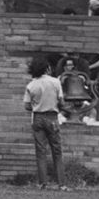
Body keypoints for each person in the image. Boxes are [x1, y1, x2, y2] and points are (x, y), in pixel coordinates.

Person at [23, 56, 66, 190]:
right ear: (47, 68)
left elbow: (27, 106)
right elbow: (62, 102)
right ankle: (61, 184)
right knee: (57, 152)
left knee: (41, 152)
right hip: (52, 117)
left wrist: (37, 106)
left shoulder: (31, 85)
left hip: (37, 118)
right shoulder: (55, 82)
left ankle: (43, 183)